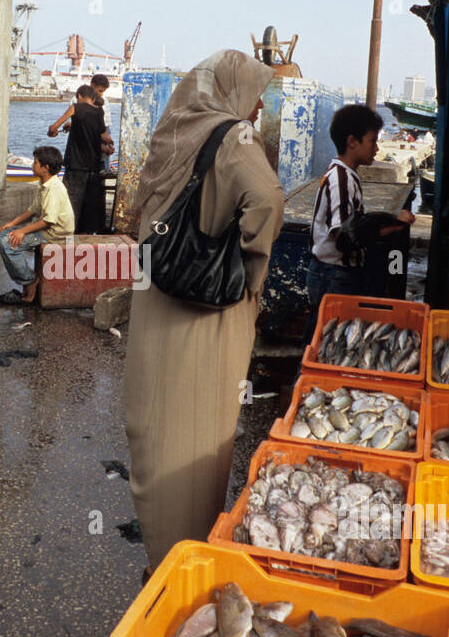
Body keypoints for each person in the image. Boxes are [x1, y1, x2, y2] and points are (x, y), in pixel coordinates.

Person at [124, 50, 284, 575]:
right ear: (232, 91)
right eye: (255, 92)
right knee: (195, 429)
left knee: (157, 422)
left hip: (158, 292)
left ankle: (160, 552)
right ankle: (185, 557)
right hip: (207, 305)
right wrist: (250, 269)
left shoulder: (176, 128)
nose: (258, 105)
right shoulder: (235, 137)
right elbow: (266, 198)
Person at [302, 104, 415, 344]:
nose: (377, 148)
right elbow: (345, 237)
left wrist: (391, 223)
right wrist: (393, 224)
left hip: (335, 274)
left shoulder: (346, 175)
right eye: (372, 141)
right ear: (352, 141)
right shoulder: (340, 179)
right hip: (334, 275)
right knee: (325, 341)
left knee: (328, 339)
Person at [0, 145, 75, 305]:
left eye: (36, 163)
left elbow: (48, 221)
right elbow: (33, 209)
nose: (32, 165)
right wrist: (12, 224)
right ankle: (25, 280)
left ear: (45, 168)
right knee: (1, 235)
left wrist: (22, 231)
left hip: (54, 233)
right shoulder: (44, 184)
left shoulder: (54, 189)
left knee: (8, 244)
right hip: (46, 228)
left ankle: (29, 281)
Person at [51, 85, 108, 234]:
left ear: (80, 96)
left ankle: (67, 233)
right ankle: (86, 233)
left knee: (70, 202)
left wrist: (54, 130)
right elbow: (99, 135)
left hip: (75, 164)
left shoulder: (75, 108)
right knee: (88, 203)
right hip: (93, 165)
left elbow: (53, 128)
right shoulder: (99, 112)